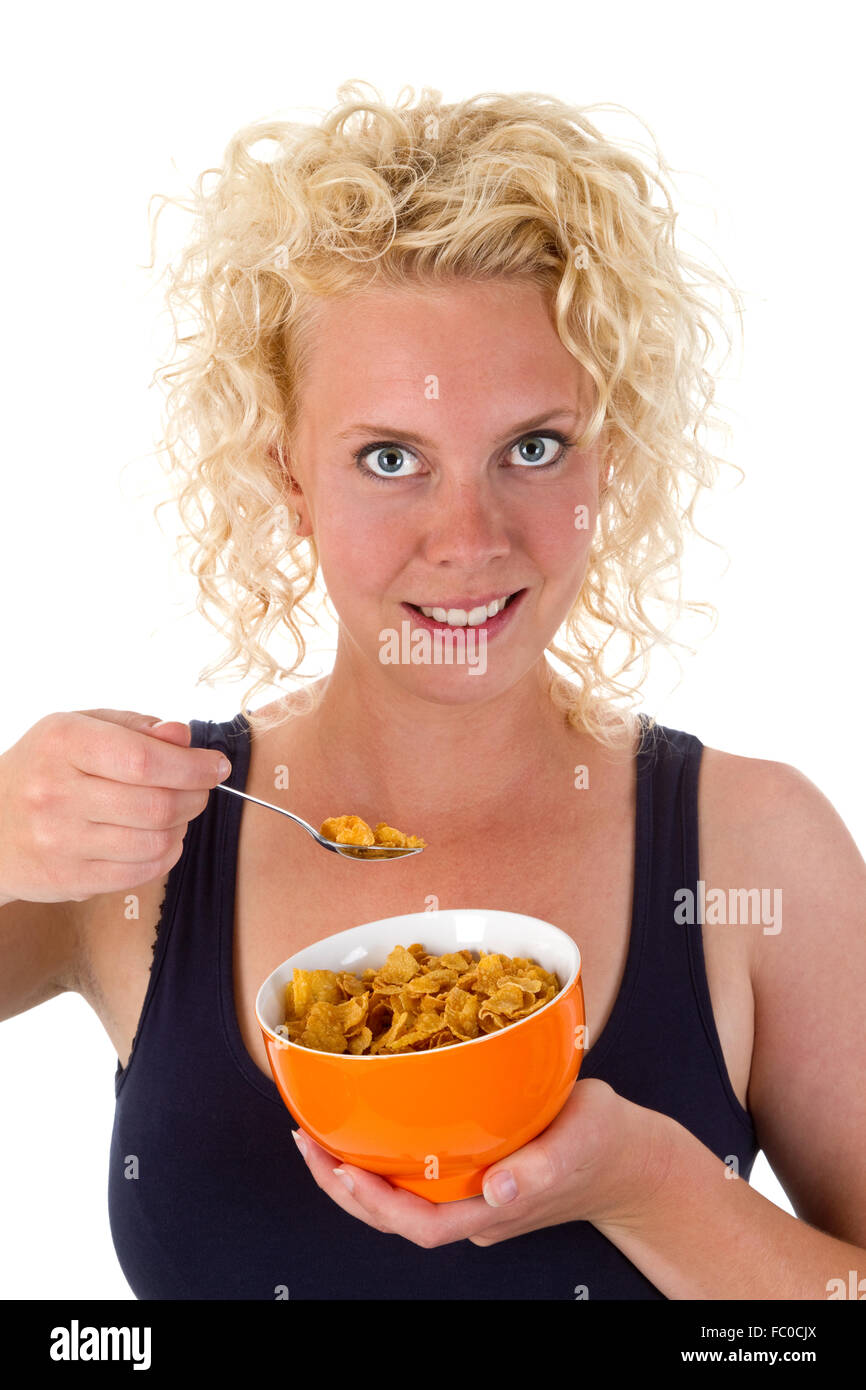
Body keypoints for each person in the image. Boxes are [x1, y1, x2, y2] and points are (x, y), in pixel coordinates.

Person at [1, 81, 863, 1301]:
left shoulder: (757, 847)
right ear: (286, 476)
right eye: (389, 459)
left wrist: (651, 1190)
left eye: (532, 447)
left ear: (607, 456)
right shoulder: (141, 841)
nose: (467, 540)